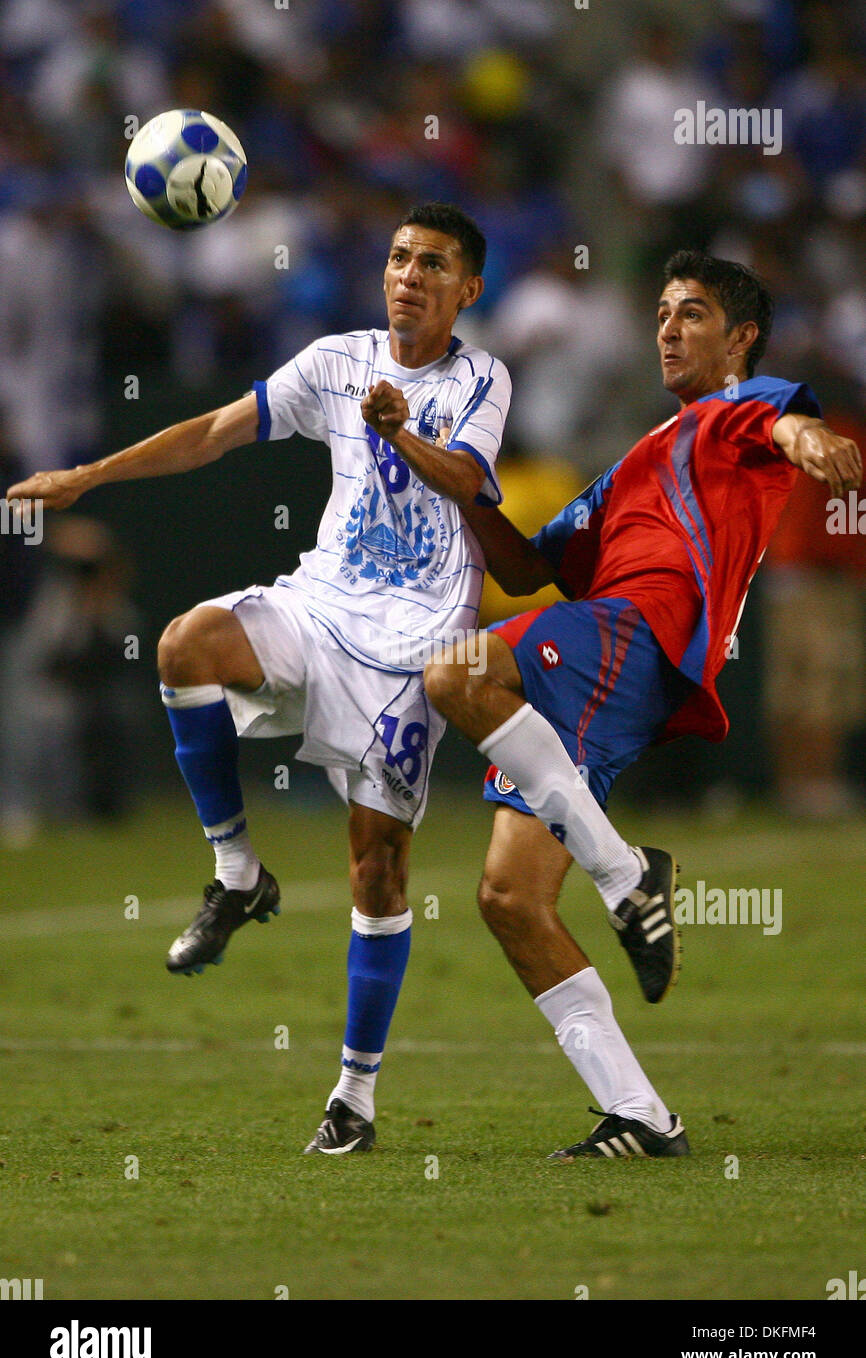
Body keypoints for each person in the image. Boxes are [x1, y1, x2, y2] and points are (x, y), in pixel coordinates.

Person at [6, 201, 511, 1156]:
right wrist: (87, 476)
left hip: (414, 646)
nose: (409, 275)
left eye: (433, 265)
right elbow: (212, 431)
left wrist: (397, 433)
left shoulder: (483, 377)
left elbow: (465, 483)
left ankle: (353, 1100)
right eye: (399, 257)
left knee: (379, 871)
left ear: (467, 290)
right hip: (319, 608)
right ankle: (237, 873)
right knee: (185, 645)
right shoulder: (335, 360)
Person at [423, 250, 861, 1159]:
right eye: (662, 312)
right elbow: (524, 568)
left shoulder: (738, 411)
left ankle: (624, 874)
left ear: (740, 338)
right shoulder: (639, 457)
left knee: (455, 674)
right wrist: (447, 475)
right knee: (509, 897)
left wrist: (812, 440)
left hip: (631, 634)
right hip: (603, 660)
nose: (669, 327)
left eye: (692, 313)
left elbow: (783, 426)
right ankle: (641, 1115)